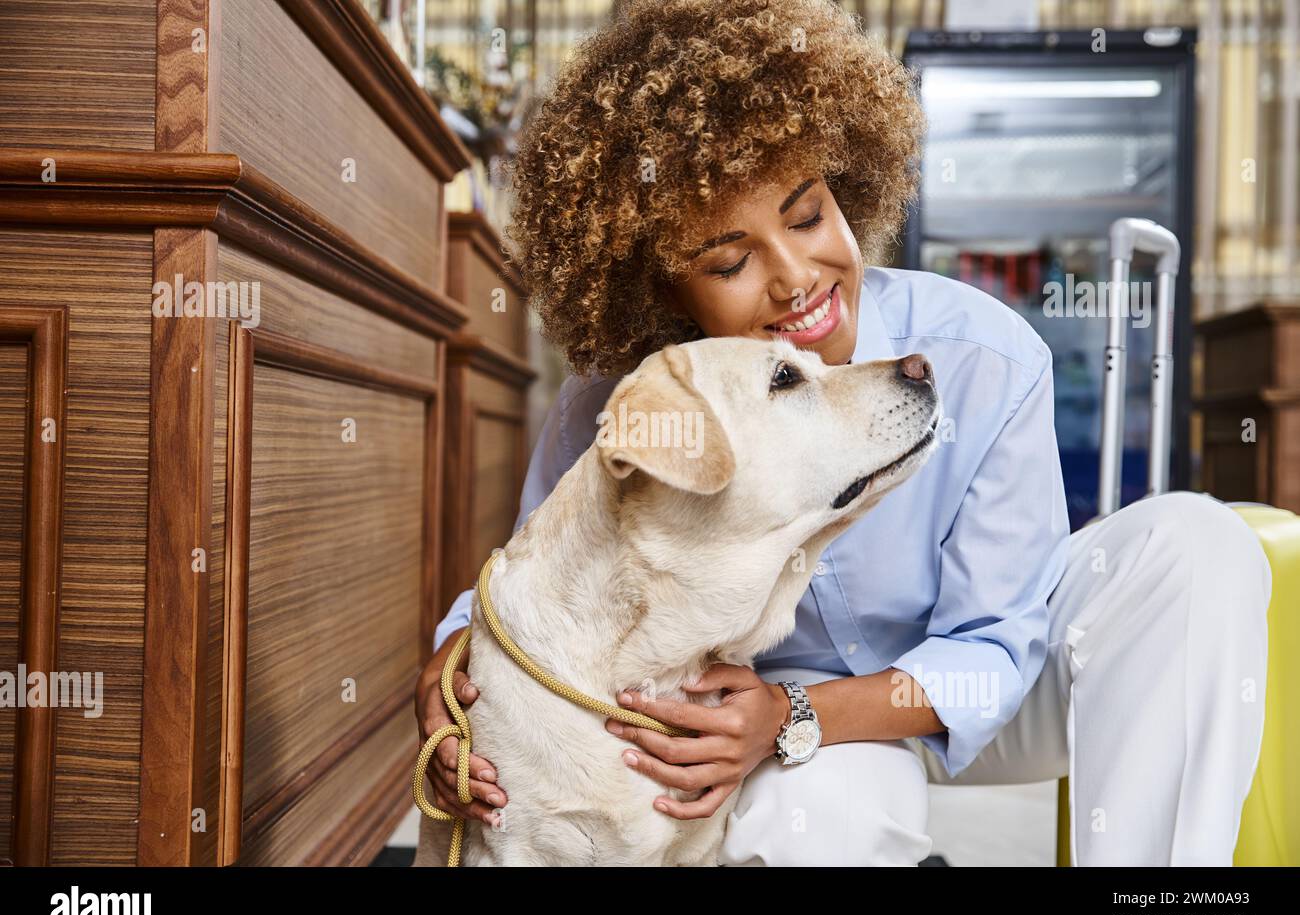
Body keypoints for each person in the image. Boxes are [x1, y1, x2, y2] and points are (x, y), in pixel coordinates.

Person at [413, 0, 1271, 865]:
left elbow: (997, 648)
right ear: (665, 293)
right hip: (776, 727)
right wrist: (456, 681)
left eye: (807, 215)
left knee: (1197, 542)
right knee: (816, 823)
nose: (794, 278)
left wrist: (797, 716)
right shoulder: (641, 403)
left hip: (987, 687)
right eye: (730, 260)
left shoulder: (984, 358)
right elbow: (551, 583)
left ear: (846, 188)